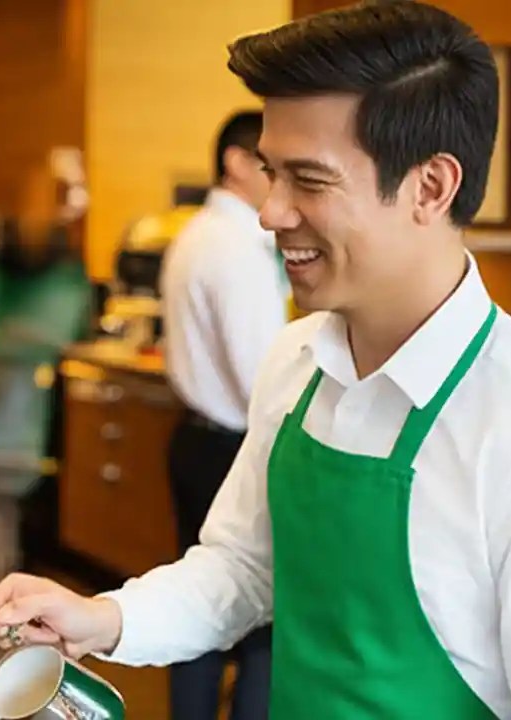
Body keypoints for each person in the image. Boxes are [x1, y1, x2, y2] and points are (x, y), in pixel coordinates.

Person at [0, 3, 511, 719]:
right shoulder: (298, 359)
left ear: (431, 187)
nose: (270, 212)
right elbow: (242, 568)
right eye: (270, 173)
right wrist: (106, 617)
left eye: (309, 180)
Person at [156, 110, 284, 720]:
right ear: (237, 162)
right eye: (273, 164)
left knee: (201, 611)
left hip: (197, 437)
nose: (281, 184)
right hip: (233, 444)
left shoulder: (199, 231)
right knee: (261, 623)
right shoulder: (235, 247)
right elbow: (262, 374)